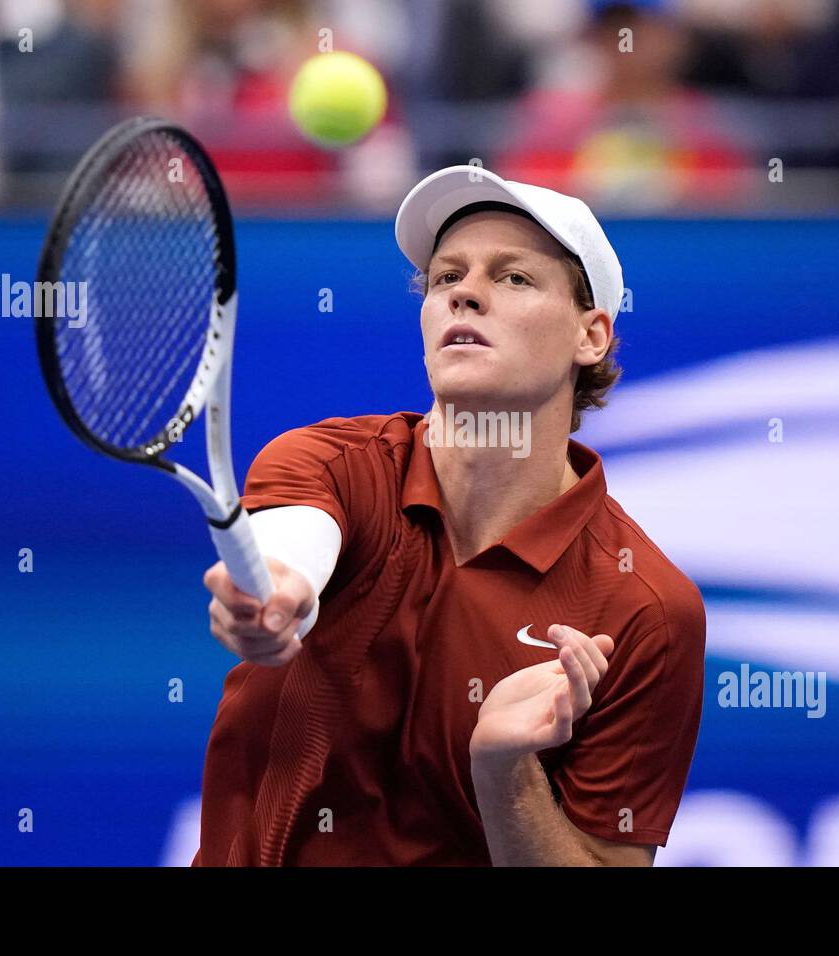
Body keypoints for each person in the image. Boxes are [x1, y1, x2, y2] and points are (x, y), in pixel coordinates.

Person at [192, 165, 706, 866]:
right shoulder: (327, 463)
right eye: (445, 278)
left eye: (513, 277)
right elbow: (295, 554)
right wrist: (275, 601)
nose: (465, 292)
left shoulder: (645, 607)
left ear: (591, 337)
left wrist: (506, 774)